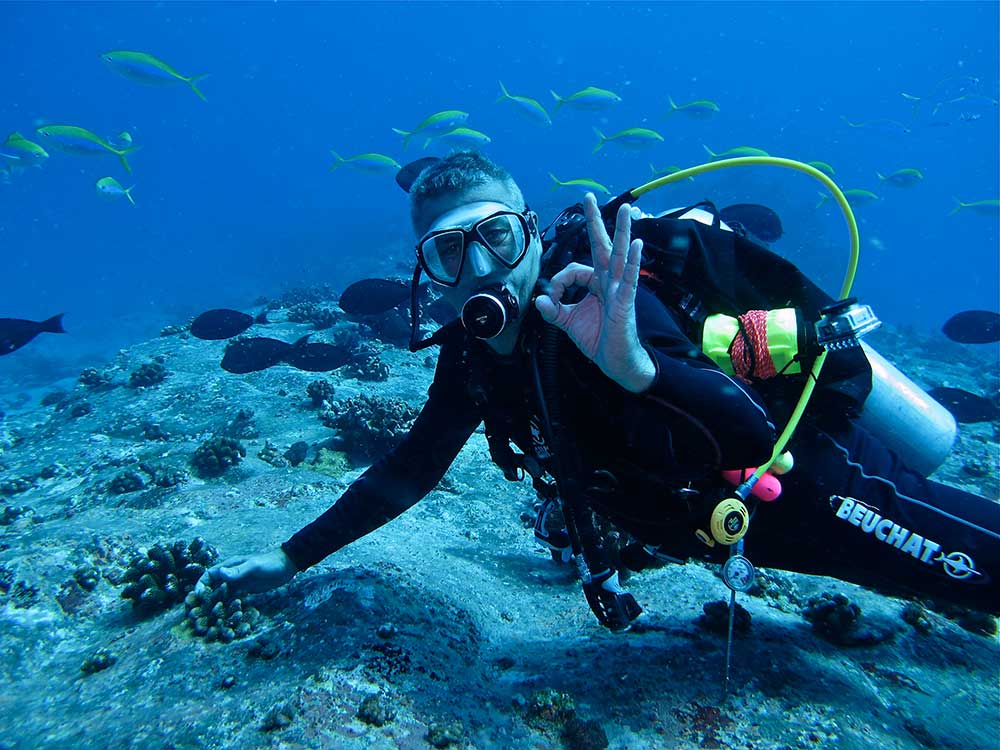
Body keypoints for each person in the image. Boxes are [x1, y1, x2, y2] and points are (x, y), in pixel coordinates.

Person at [198, 151, 999, 626]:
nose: (480, 270)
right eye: (449, 253)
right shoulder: (475, 354)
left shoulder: (602, 296)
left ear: (531, 232)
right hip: (722, 533)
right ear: (427, 274)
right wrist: (287, 556)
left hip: (817, 495)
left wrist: (642, 370)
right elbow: (408, 471)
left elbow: (755, 438)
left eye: (496, 238)